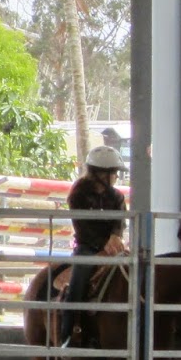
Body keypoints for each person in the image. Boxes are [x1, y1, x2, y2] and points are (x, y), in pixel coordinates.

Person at [59, 144, 127, 347]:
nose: (116, 176)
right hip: (87, 246)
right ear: (100, 174)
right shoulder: (78, 194)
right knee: (78, 281)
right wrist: (103, 243)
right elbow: (82, 227)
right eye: (113, 172)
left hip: (112, 247)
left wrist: (115, 237)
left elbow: (120, 220)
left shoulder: (116, 196)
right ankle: (67, 334)